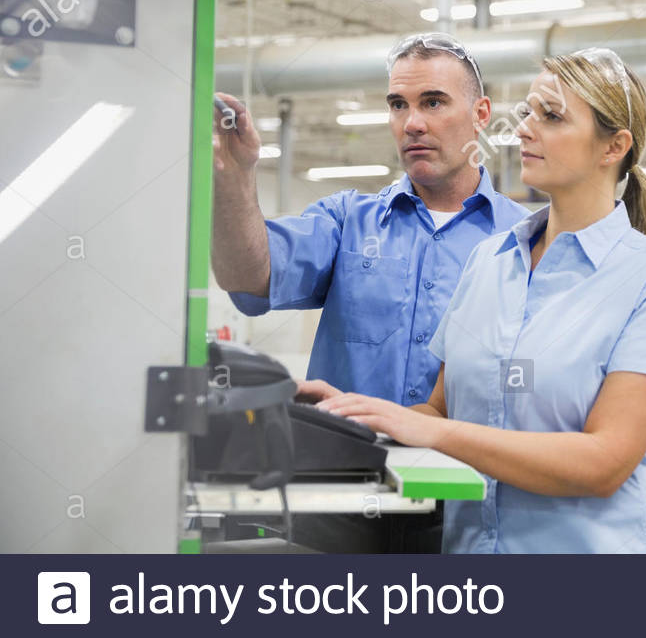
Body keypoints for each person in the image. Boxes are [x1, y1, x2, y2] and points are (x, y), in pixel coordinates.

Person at [314, 48, 646, 553]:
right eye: (526, 114)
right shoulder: (487, 263)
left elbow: (603, 463)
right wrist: (351, 418)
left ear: (613, 147)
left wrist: (437, 434)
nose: (523, 130)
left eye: (551, 116)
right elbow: (438, 411)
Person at [210, 32, 528, 405]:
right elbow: (247, 276)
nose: (412, 123)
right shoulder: (346, 223)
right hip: (347, 459)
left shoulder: (524, 238)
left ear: (481, 114)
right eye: (398, 104)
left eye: (433, 102)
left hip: (470, 462)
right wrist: (235, 177)